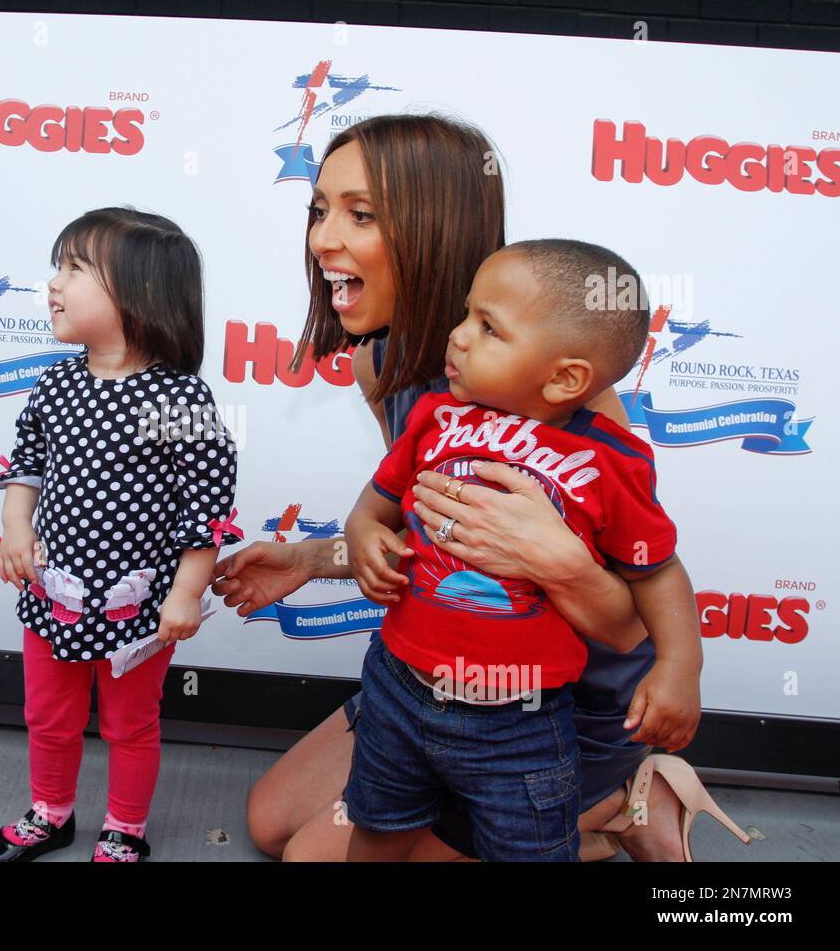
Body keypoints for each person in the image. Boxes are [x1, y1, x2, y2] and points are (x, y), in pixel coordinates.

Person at [214, 113, 735, 862]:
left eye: (360, 215)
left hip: (561, 710)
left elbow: (628, 627)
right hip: (431, 685)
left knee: (309, 855)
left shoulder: (565, 398)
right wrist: (311, 559)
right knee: (270, 820)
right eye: (319, 209)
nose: (323, 239)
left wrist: (558, 562)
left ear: (437, 230)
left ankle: (621, 797)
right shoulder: (381, 367)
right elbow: (433, 531)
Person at [343, 239, 703, 860]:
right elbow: (376, 503)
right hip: (397, 687)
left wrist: (679, 667)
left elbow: (658, 571)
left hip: (520, 721)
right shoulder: (433, 418)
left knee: (528, 849)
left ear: (565, 377)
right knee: (376, 825)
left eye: (487, 328)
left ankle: (624, 800)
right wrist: (361, 536)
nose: (457, 337)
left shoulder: (609, 460)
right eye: (465, 315)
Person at [0, 207, 240, 863]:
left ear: (138, 291)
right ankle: (51, 812)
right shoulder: (57, 384)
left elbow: (206, 508)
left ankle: (124, 826)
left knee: (129, 724)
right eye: (56, 267)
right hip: (52, 594)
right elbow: (27, 462)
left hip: (139, 609)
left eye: (73, 268)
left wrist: (185, 594)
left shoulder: (175, 400)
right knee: (48, 716)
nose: (53, 284)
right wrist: (16, 527)